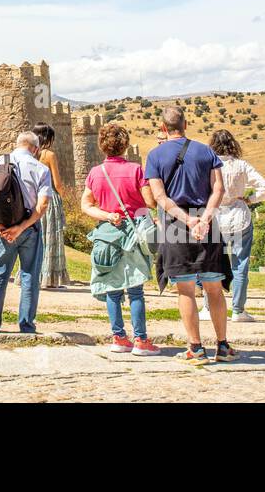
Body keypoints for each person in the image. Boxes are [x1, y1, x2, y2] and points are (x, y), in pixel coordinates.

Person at [146, 106, 235, 365]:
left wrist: (187, 220)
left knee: (185, 290)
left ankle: (196, 348)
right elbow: (218, 188)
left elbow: (159, 197)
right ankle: (222, 346)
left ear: (163, 128)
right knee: (214, 289)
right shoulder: (206, 151)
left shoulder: (154, 155)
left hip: (176, 222)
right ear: (185, 124)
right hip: (207, 224)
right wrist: (205, 218)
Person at [82, 123, 160, 355]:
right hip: (134, 235)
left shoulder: (95, 173)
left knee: (112, 289)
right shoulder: (136, 170)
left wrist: (107, 215)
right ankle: (141, 341)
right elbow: (150, 202)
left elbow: (86, 205)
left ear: (102, 146)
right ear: (125, 145)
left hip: (107, 234)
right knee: (135, 290)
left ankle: (119, 337)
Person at [0, 131, 55, 334]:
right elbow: (42, 205)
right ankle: (26, 325)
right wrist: (21, 227)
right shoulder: (40, 169)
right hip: (29, 228)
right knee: (29, 276)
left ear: (16, 144)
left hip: (2, 229)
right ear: (35, 148)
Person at [207, 129, 265, 323]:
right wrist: (250, 199)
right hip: (239, 216)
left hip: (215, 216)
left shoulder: (208, 166)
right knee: (240, 265)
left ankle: (208, 306)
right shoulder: (242, 166)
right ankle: (238, 309)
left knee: (211, 264)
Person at [34, 123, 70, 290]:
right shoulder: (49, 155)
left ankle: (35, 275)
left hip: (33, 199)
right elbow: (57, 183)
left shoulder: (31, 154)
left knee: (36, 239)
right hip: (50, 198)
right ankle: (50, 278)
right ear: (48, 138)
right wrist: (64, 198)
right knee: (52, 240)